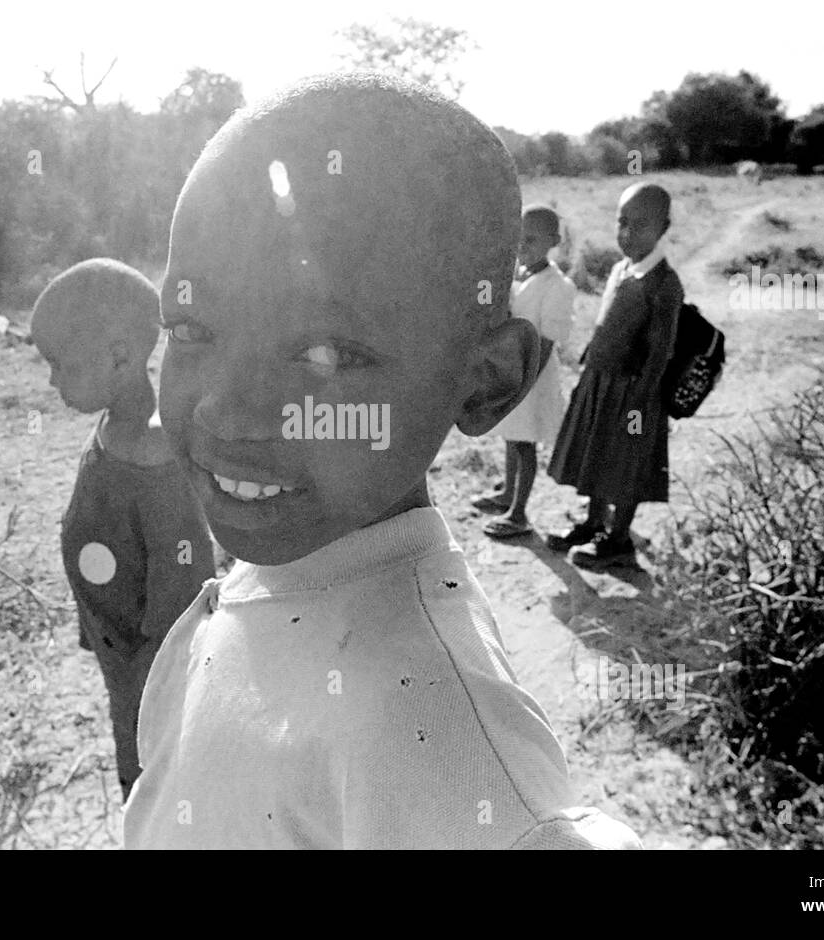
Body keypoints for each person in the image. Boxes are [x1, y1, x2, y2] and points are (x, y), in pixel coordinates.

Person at [121, 72, 641, 850]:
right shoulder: (280, 567)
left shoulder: (429, 721)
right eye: (192, 329)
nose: (225, 410)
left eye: (328, 353)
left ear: (488, 379)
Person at [30, 258, 214, 799]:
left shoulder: (156, 454)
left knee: (158, 771)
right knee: (135, 762)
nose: (51, 379)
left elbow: (183, 577)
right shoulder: (113, 428)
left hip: (151, 662)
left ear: (118, 356)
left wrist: (146, 672)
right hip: (120, 644)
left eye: (61, 363)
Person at [546, 183, 683, 568]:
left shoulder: (664, 283)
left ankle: (619, 539)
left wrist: (640, 401)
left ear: (663, 228)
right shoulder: (623, 269)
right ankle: (593, 524)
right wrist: (590, 360)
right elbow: (609, 323)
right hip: (603, 382)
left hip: (636, 393)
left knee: (628, 463)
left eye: (640, 225)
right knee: (598, 454)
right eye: (622, 222)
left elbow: (661, 351)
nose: (627, 233)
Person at [472, 205, 576, 538]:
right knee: (512, 435)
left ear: (554, 241)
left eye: (531, 240)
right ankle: (507, 495)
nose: (523, 246)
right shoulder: (521, 276)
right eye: (520, 238)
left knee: (525, 442)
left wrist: (526, 379)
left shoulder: (557, 286)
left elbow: (546, 340)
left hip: (533, 375)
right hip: (513, 370)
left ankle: (519, 514)